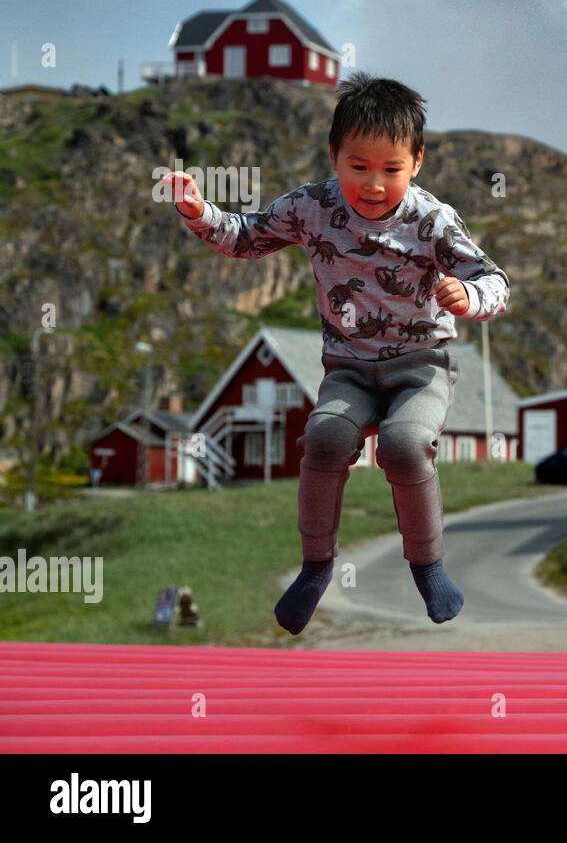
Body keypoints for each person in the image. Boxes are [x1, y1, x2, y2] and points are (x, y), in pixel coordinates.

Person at [159, 73, 510, 634]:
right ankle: (316, 567)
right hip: (348, 366)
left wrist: (469, 296)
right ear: (334, 156)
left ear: (416, 162)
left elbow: (495, 281)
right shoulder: (312, 207)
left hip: (421, 366)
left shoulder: (432, 220)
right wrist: (200, 211)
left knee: (403, 444)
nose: (373, 185)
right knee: (324, 438)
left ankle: (428, 566)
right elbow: (246, 237)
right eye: (358, 167)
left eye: (391, 170)